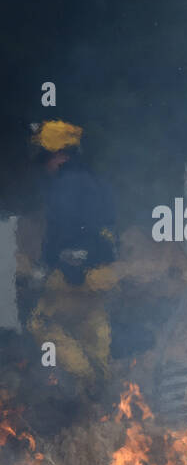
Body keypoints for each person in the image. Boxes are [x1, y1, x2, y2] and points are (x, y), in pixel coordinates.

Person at [24, 120, 118, 401]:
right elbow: (106, 226)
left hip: (77, 273)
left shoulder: (65, 184)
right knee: (92, 323)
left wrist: (47, 267)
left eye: (45, 158)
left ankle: (86, 379)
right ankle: (103, 388)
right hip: (103, 272)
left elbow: (60, 232)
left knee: (41, 322)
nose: (44, 166)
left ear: (58, 154)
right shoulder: (95, 180)